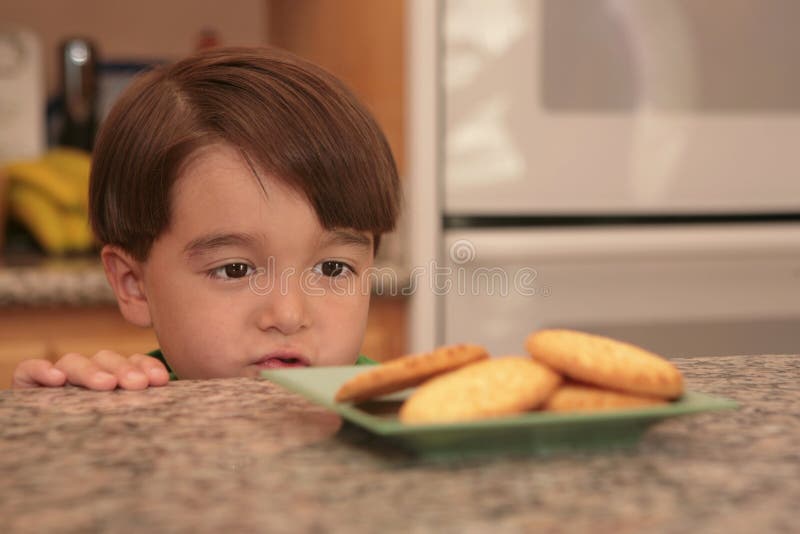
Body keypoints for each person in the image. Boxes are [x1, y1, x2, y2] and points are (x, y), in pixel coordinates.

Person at [12, 46, 401, 390]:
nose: (288, 316)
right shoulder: (130, 410)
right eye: (235, 270)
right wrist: (56, 428)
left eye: (333, 268)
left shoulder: (396, 415)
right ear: (135, 284)